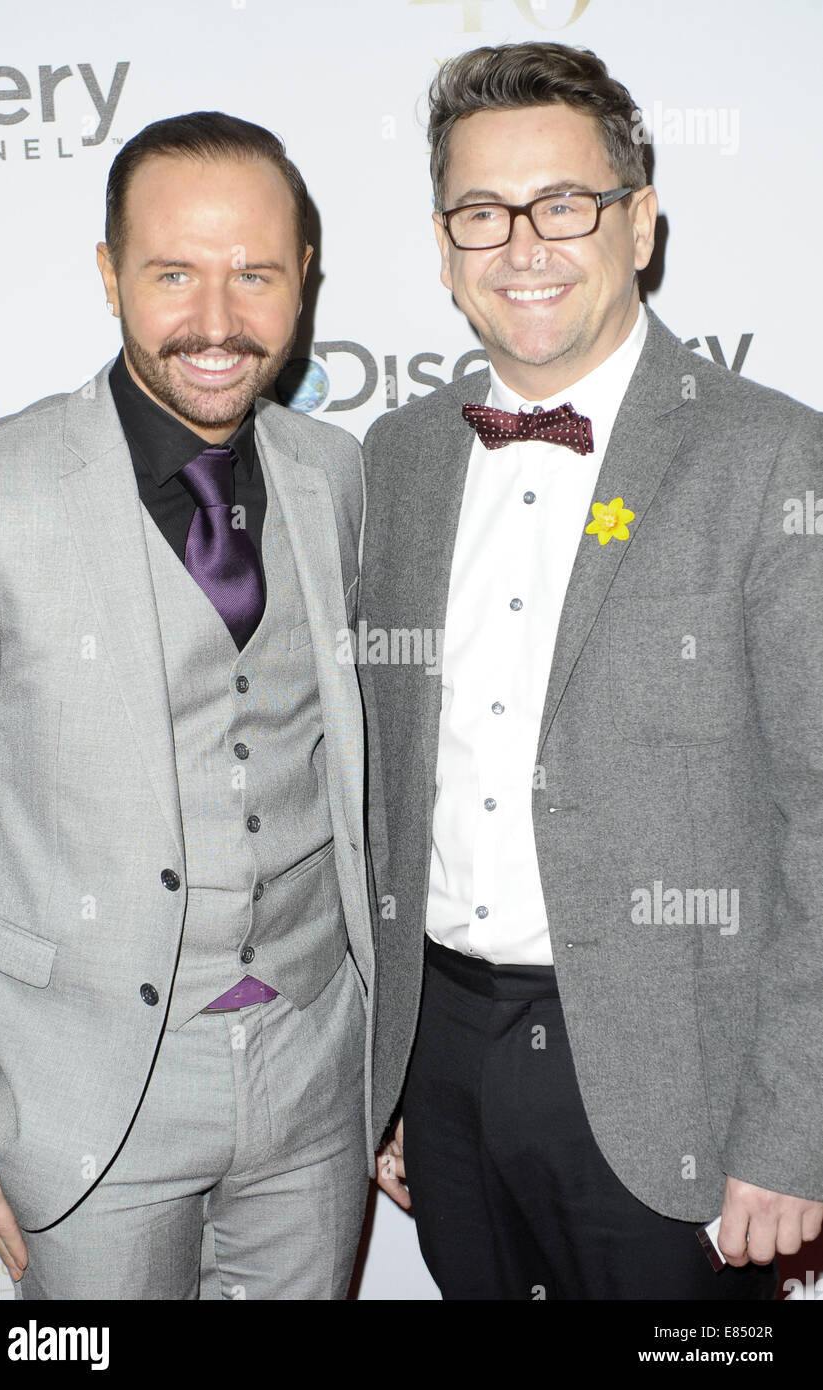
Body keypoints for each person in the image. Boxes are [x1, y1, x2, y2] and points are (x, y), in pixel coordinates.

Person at [361, 42, 823, 1300]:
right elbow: (378, 797)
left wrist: (796, 1130)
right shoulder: (393, 461)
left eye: (563, 203)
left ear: (641, 223)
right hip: (439, 1058)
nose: (522, 244)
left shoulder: (775, 458)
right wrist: (382, 1069)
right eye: (480, 211)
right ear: (445, 242)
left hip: (678, 1078)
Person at [0, 111, 376, 1300]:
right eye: (173, 273)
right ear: (108, 277)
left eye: (255, 274)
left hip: (312, 1071)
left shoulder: (331, 472)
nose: (216, 320)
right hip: (79, 1090)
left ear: (304, 283)